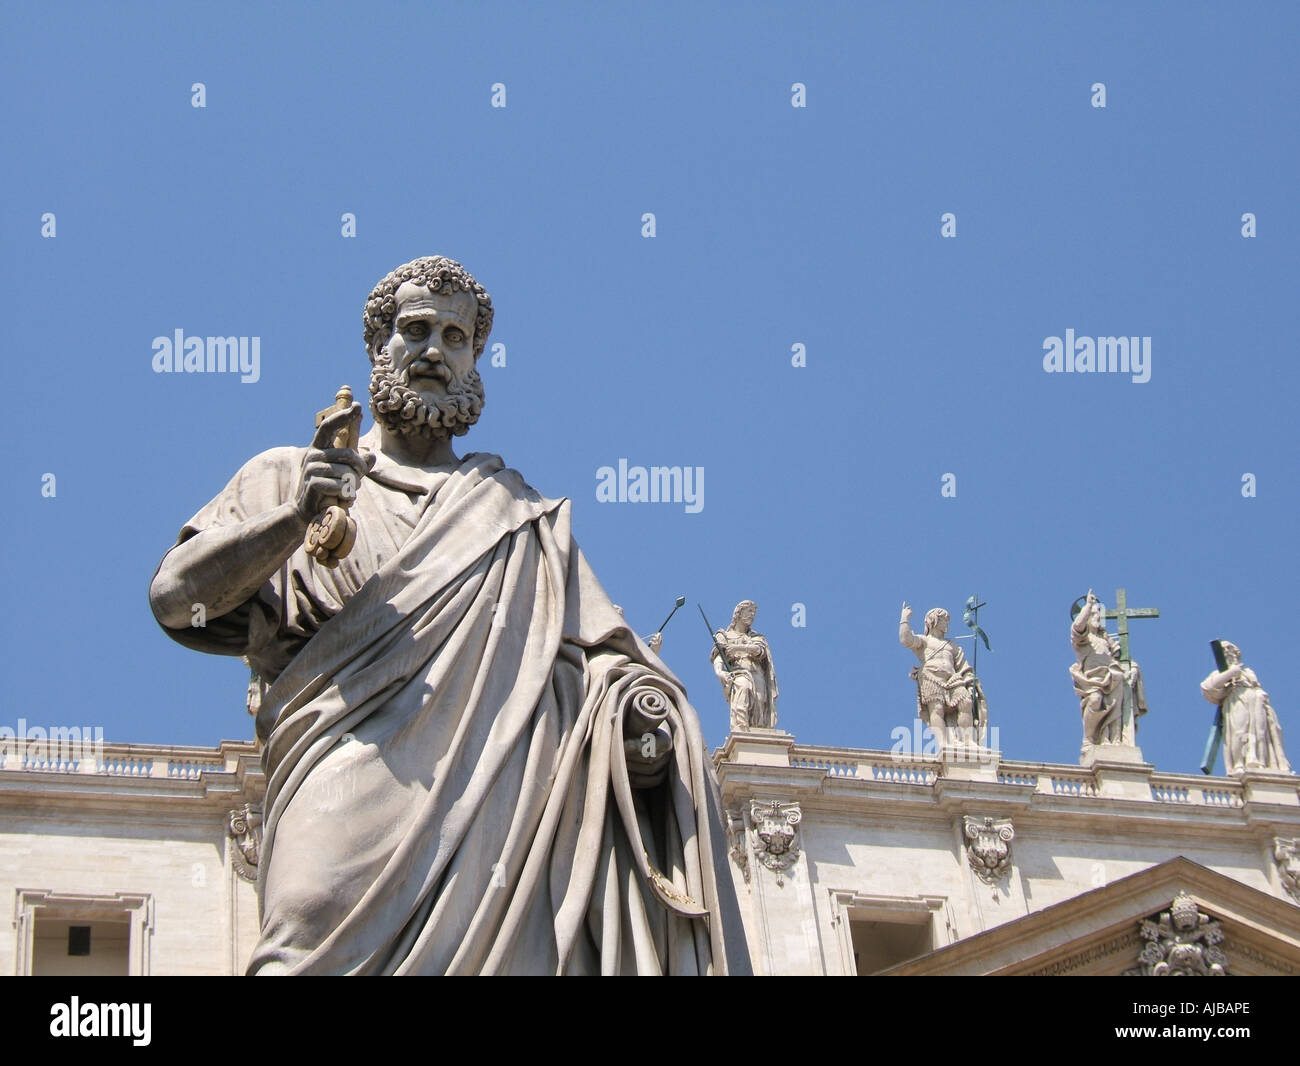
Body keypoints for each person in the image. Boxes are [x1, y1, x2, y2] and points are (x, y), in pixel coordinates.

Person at [149, 256, 750, 975]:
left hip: (499, 808)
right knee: (305, 937)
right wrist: (291, 521)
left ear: (475, 361)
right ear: (378, 348)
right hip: (339, 775)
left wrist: (637, 718)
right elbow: (174, 600)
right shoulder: (293, 471)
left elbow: (604, 665)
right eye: (416, 329)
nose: (435, 349)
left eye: (456, 337)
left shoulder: (517, 515)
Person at [1201, 642, 1290, 774]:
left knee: (1259, 733)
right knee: (1239, 731)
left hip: (1256, 701)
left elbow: (1256, 686)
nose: (1229, 654)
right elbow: (1207, 687)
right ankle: (1239, 764)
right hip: (1236, 700)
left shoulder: (1248, 672)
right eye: (1225, 652)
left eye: (1231, 651)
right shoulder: (1219, 673)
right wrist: (1230, 673)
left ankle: (1258, 762)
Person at [899, 603, 975, 747]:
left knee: (966, 703)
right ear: (933, 620)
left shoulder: (952, 645)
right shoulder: (925, 641)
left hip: (952, 679)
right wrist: (905, 618)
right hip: (931, 677)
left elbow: (964, 666)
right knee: (937, 709)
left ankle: (968, 740)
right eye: (944, 619)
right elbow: (905, 640)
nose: (947, 623)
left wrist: (970, 682)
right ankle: (944, 743)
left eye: (947, 620)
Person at [1069, 590, 1125, 757]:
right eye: (1094, 615)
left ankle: (1111, 739)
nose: (1098, 618)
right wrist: (1088, 607)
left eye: (1099, 615)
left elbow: (1116, 655)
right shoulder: (1083, 639)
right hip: (1092, 680)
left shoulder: (1105, 639)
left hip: (1111, 678)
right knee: (1095, 700)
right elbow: (1078, 626)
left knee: (1115, 709)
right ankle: (1089, 738)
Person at [710, 601, 779, 731]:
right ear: (739, 613)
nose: (752, 615)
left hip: (757, 673)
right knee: (742, 687)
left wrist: (738, 647)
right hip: (738, 672)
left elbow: (759, 650)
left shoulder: (756, 637)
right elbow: (718, 656)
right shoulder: (724, 635)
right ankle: (741, 729)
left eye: (754, 613)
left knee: (759, 703)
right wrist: (719, 672)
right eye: (749, 611)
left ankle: (758, 735)